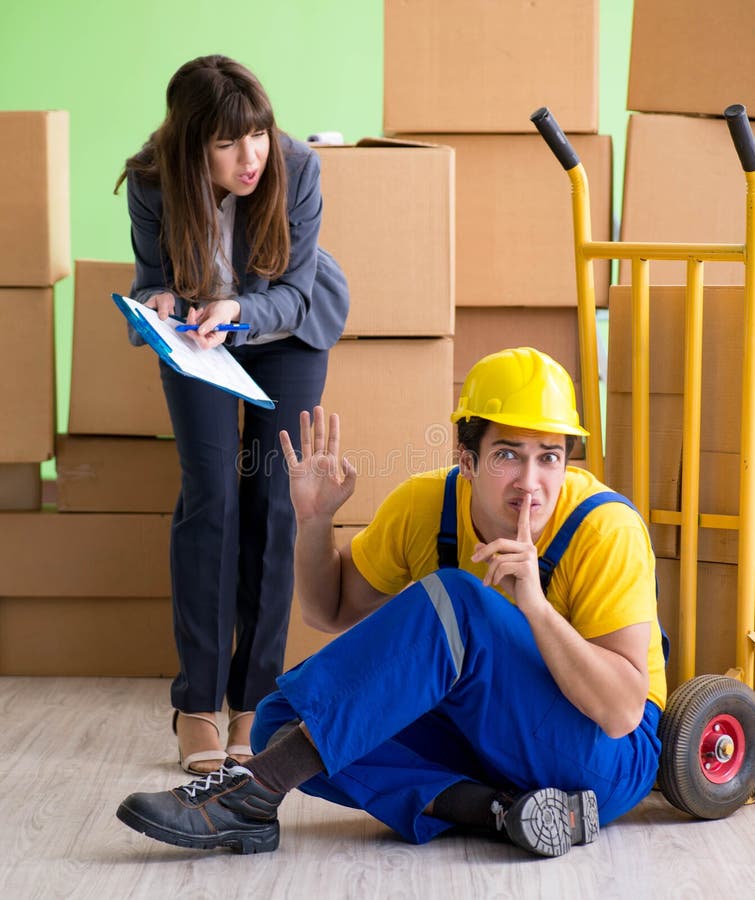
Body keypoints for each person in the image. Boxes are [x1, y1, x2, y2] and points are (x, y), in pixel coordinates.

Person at [116, 347, 667, 859]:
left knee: (458, 600)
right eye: (507, 455)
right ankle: (498, 811)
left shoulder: (603, 529)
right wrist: (313, 523)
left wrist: (537, 609)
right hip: (485, 738)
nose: (531, 483)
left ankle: (253, 793)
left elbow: (621, 712)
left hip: (605, 758)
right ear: (467, 459)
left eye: (548, 457)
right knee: (282, 719)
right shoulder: (426, 507)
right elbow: (329, 611)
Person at [113, 55, 349, 774]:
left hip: (286, 331)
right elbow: (150, 280)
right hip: (196, 342)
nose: (251, 158)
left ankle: (255, 698)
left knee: (274, 500)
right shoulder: (153, 179)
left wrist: (236, 310)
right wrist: (159, 303)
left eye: (257, 135)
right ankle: (197, 704)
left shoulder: (296, 167)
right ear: (192, 147)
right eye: (226, 144)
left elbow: (296, 291)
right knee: (212, 496)